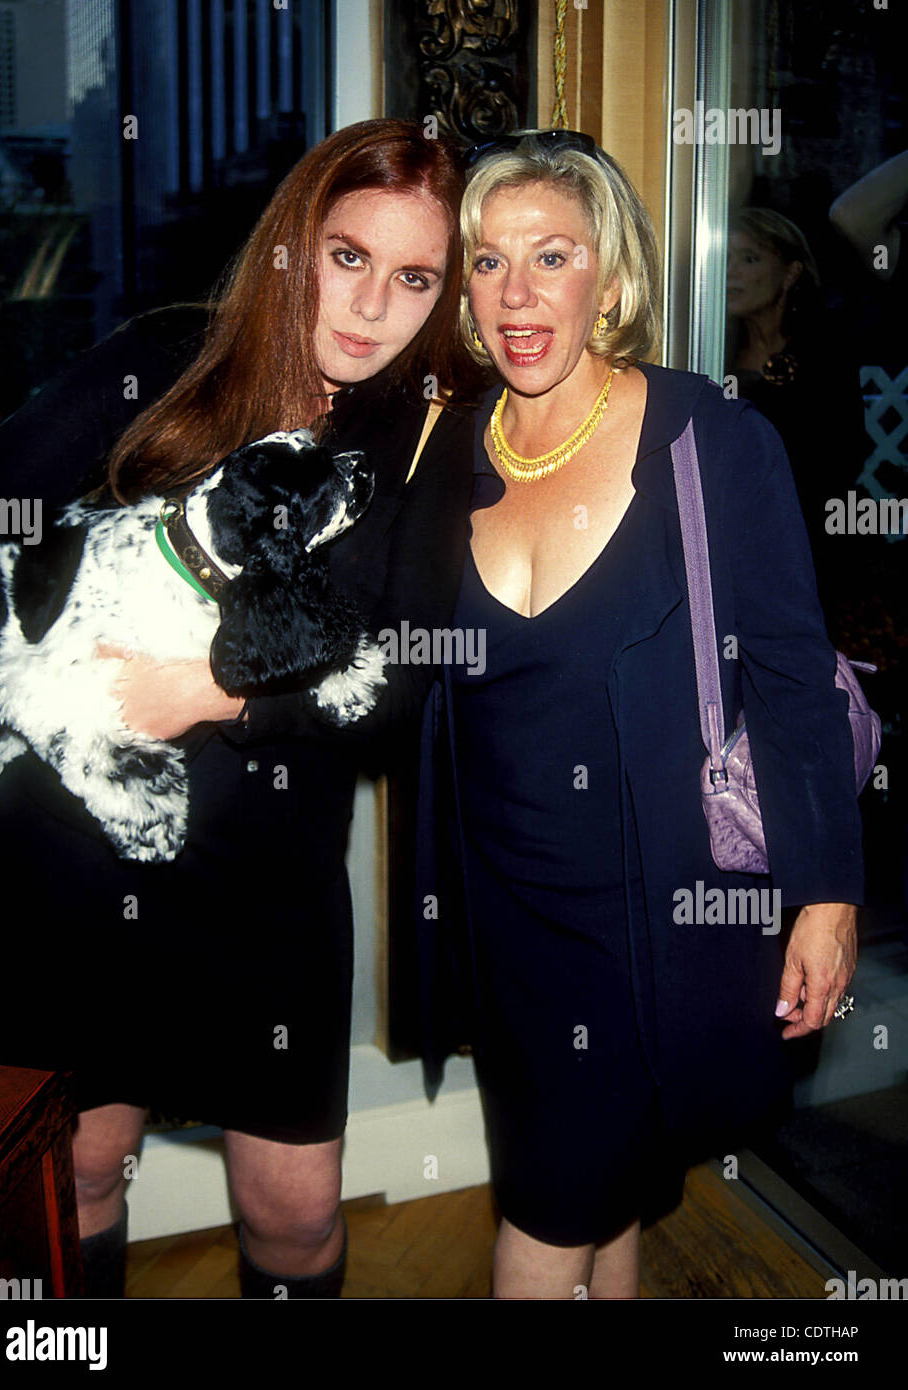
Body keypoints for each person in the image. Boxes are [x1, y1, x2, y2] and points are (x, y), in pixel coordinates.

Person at [0, 118, 483, 1299]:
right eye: (347, 256)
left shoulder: (425, 435)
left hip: (266, 879)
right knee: (82, 1173)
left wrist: (210, 688)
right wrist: (13, 697)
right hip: (77, 856)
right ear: (296, 242)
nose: (370, 305)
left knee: (295, 1218)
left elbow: (404, 673)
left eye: (413, 278)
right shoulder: (171, 356)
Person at [416, 130, 865, 1299]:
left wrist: (826, 895)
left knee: (545, 1218)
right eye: (486, 261)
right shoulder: (442, 446)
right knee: (597, 1192)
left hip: (655, 915)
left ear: (608, 279)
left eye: (551, 256)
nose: (515, 294)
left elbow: (791, 675)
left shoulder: (711, 438)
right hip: (507, 916)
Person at [725, 208, 867, 595]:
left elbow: (843, 452)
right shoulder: (707, 346)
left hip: (809, 549)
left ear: (791, 273)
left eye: (749, 259)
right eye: (724, 258)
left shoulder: (825, 350)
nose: (729, 271)